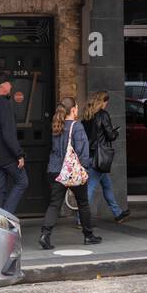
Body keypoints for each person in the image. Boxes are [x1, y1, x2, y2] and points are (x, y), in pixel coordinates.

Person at [39, 96, 100, 249]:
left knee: (54, 204)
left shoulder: (56, 125)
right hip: (72, 171)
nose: (78, 110)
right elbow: (82, 151)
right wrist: (84, 169)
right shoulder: (77, 126)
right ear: (73, 110)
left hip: (55, 171)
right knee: (83, 203)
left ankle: (45, 235)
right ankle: (88, 235)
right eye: (77, 108)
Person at [81, 90, 129, 225]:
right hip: (100, 157)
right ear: (103, 102)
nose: (107, 104)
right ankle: (81, 219)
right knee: (90, 187)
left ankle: (118, 214)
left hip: (89, 155)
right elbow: (110, 135)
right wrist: (115, 132)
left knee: (107, 185)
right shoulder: (103, 115)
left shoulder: (87, 115)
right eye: (106, 102)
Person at [0, 73, 27, 213]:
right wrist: (19, 154)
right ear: (2, 87)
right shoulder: (3, 104)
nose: (11, 85)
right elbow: (8, 133)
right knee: (22, 182)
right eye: (9, 83)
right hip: (6, 154)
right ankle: (6, 217)